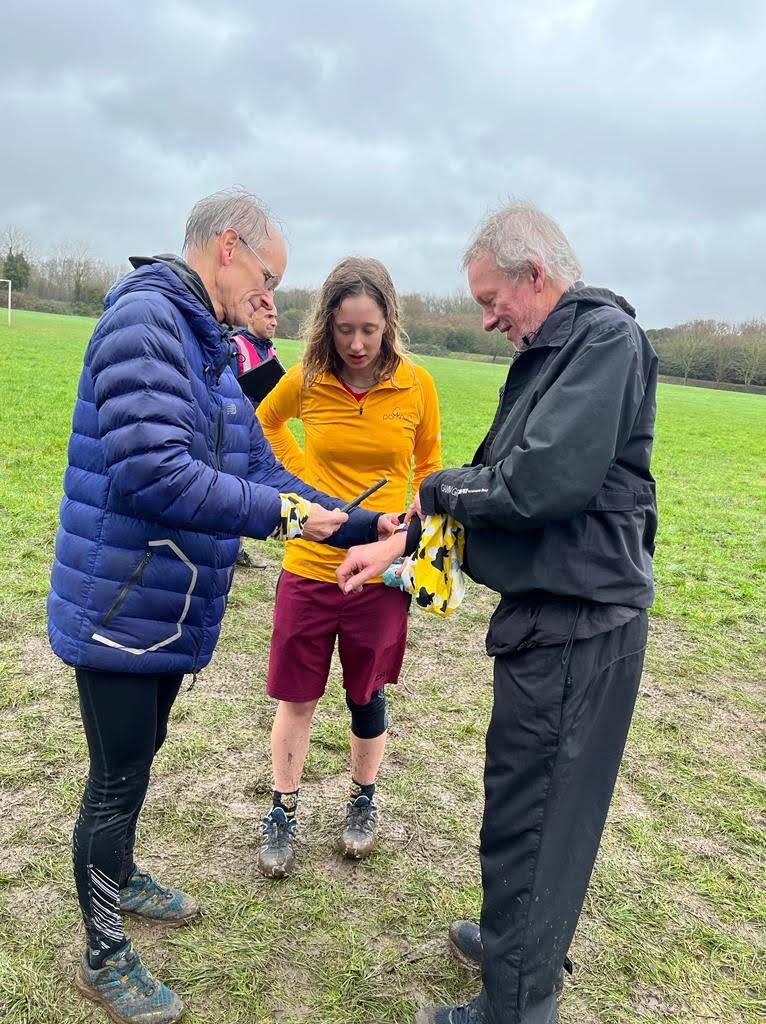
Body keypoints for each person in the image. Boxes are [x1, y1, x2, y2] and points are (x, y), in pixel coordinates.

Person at [48, 189, 394, 1024]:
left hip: (159, 605)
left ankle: (121, 878)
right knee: (114, 777)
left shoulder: (205, 343)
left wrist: (359, 522)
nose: (269, 296)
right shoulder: (148, 323)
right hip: (121, 602)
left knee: (138, 758)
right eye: (267, 275)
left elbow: (260, 466)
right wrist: (281, 518)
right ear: (228, 247)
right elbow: (154, 470)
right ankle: (102, 953)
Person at [335, 201, 658, 1024]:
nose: (485, 320)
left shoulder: (603, 342)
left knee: (539, 810)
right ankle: (520, 941)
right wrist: (400, 552)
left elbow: (533, 484)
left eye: (491, 300)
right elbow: (495, 485)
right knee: (527, 797)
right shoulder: (558, 349)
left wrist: (434, 491)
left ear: (534, 275)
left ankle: (516, 1002)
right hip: (552, 616)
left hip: (579, 624)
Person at [254, 256, 442, 878]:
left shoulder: (417, 384)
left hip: (380, 573)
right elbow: (265, 425)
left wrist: (407, 531)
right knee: (297, 694)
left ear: (389, 321)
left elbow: (431, 469)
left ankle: (364, 801)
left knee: (367, 692)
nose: (357, 344)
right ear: (326, 327)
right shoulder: (307, 377)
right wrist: (300, 485)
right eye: (344, 330)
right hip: (310, 563)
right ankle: (282, 809)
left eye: (369, 329)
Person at [228, 301, 280, 568]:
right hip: (235, 428)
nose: (273, 322)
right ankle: (228, 546)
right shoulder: (235, 347)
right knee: (234, 485)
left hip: (262, 428)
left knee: (253, 486)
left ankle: (238, 547)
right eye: (268, 316)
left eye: (276, 317)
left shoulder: (272, 350)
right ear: (252, 316)